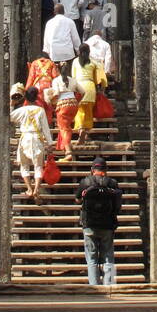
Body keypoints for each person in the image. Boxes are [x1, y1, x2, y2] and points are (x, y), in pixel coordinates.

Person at [76, 156, 122, 286]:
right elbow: (117, 204)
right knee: (109, 257)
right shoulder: (112, 183)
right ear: (106, 169)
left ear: (92, 170)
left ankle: (94, 287)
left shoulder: (85, 182)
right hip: (108, 224)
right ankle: (110, 285)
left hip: (89, 224)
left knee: (91, 258)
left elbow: (77, 199)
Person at [10, 86, 52, 201]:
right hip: (37, 138)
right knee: (38, 166)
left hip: (25, 138)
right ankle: (36, 189)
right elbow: (45, 128)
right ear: (37, 97)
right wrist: (49, 143)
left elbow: (10, 117)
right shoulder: (41, 110)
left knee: (24, 165)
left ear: (26, 98)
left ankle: (29, 188)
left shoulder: (22, 110)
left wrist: (12, 104)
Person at [51, 60, 82, 162]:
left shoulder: (56, 80)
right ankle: (65, 147)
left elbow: (56, 93)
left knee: (64, 128)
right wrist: (77, 101)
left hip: (63, 105)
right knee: (67, 127)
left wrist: (50, 100)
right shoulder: (73, 80)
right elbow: (83, 92)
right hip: (73, 104)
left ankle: (68, 152)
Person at [72, 42, 100, 149]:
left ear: (79, 51)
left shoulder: (75, 62)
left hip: (80, 86)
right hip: (90, 87)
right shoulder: (93, 62)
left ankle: (81, 130)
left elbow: (74, 77)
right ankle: (86, 133)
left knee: (79, 112)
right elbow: (97, 77)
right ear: (89, 52)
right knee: (89, 113)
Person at [25, 52, 60, 125]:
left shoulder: (34, 63)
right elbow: (55, 76)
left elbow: (31, 78)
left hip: (38, 87)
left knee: (38, 105)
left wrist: (26, 91)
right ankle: (47, 125)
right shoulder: (51, 63)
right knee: (48, 107)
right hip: (49, 87)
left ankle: (37, 124)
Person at [82, 2, 113, 78]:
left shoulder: (89, 13)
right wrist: (110, 40)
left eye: (89, 6)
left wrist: (84, 41)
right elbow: (110, 29)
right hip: (103, 39)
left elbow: (86, 29)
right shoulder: (107, 14)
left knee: (91, 60)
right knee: (101, 60)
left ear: (92, 5)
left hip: (90, 40)